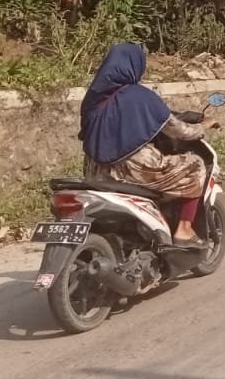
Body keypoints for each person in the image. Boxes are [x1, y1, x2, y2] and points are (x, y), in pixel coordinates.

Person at [79, 43, 213, 248]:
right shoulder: (140, 96)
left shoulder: (93, 97)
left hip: (96, 172)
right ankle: (184, 231)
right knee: (195, 165)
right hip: (135, 169)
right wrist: (204, 126)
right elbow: (180, 131)